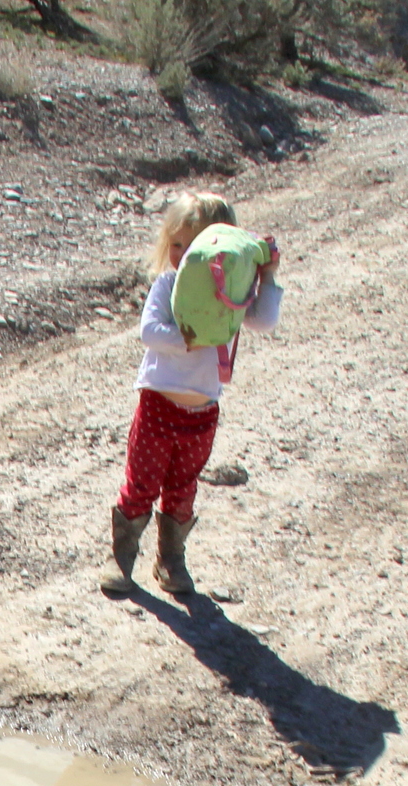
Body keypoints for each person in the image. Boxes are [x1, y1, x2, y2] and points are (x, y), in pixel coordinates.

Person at [100, 191, 283, 597]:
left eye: (194, 247)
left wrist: (265, 276)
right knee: (142, 482)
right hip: (158, 405)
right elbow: (149, 332)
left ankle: (171, 560)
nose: (183, 255)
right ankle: (121, 557)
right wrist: (191, 339)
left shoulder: (231, 296)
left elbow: (266, 320)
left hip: (201, 413)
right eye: (177, 245)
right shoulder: (168, 285)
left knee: (183, 487)